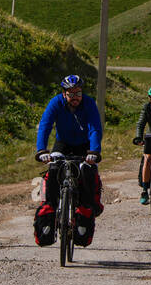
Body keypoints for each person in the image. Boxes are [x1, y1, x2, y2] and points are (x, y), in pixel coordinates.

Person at [32, 74, 104, 247]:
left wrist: (94, 151)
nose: (75, 98)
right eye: (71, 94)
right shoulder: (56, 103)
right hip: (62, 144)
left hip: (84, 146)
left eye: (78, 93)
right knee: (54, 170)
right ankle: (50, 207)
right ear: (64, 94)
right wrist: (42, 150)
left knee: (86, 172)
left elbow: (95, 128)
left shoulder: (89, 103)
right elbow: (45, 125)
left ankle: (85, 208)